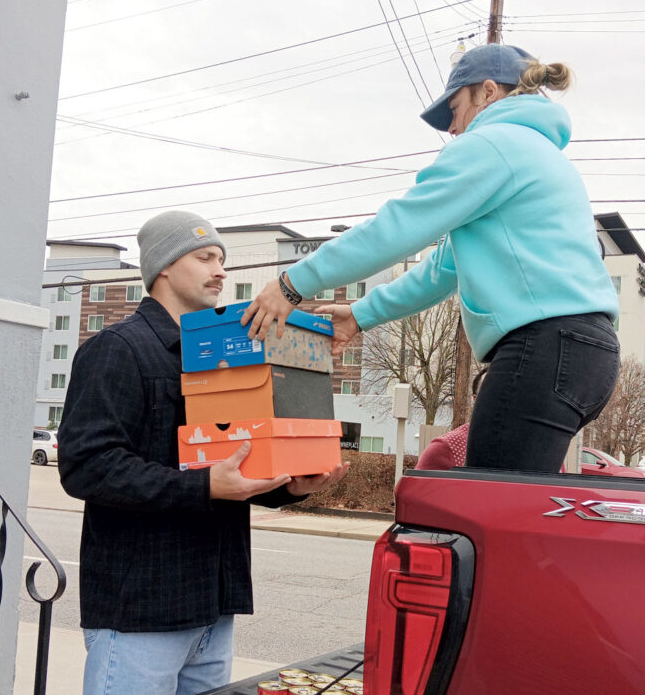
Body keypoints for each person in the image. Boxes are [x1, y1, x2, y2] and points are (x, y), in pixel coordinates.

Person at [56, 210, 348, 695]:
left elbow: (230, 464)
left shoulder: (218, 352)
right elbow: (86, 465)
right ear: (164, 268)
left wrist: (288, 486)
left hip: (211, 604)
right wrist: (201, 488)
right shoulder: (118, 349)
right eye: (206, 257)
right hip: (140, 608)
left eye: (222, 258)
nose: (221, 270)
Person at [243, 43, 619, 473]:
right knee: (516, 510)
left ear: (488, 91)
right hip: (584, 354)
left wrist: (293, 284)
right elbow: (442, 269)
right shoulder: (536, 153)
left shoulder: (495, 145)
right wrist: (361, 313)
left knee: (493, 512)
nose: (453, 130)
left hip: (545, 347)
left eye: (455, 110)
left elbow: (398, 227)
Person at [416, 367, 487, 470]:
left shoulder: (518, 451)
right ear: (476, 400)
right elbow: (417, 486)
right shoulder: (446, 448)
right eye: (490, 392)